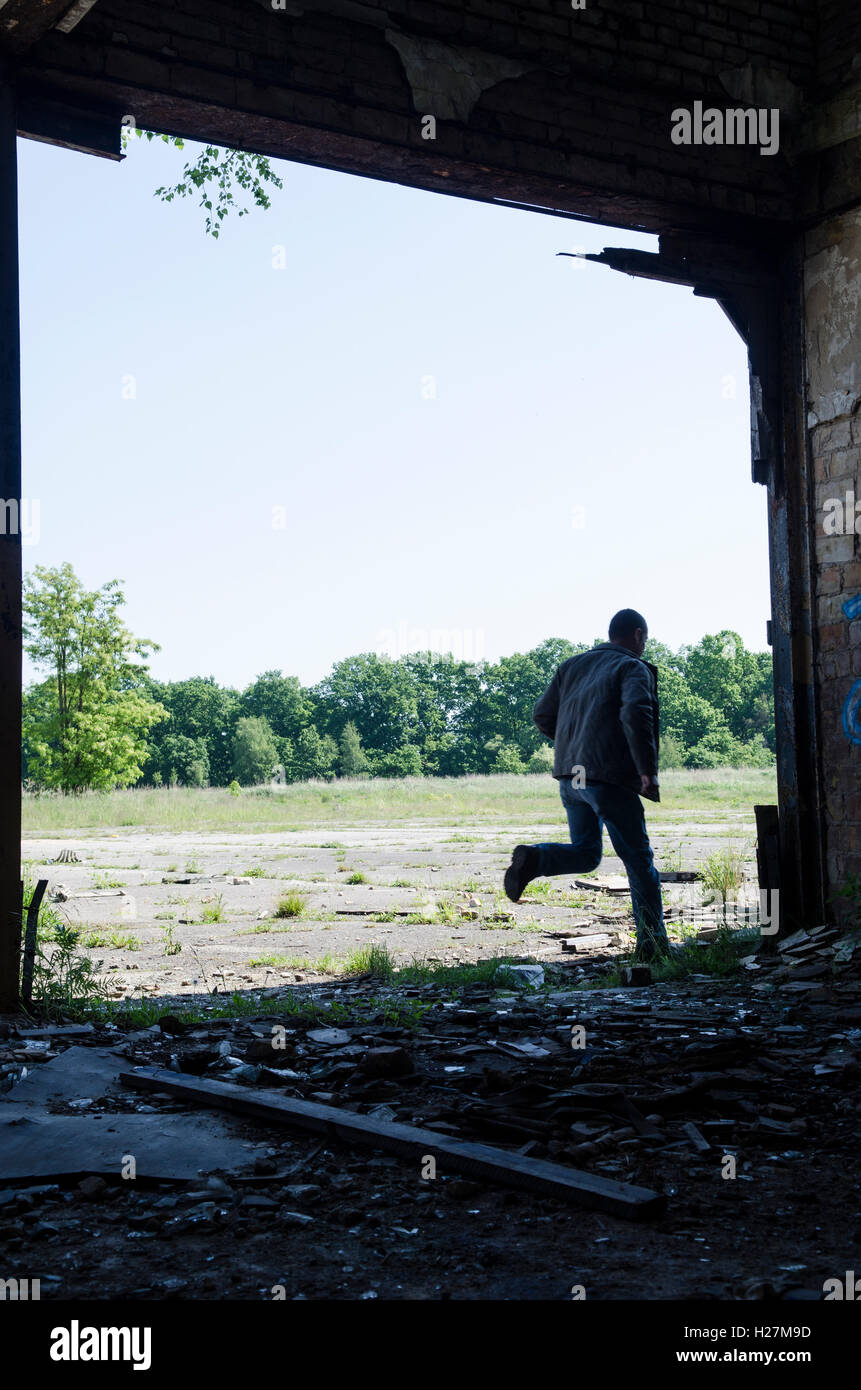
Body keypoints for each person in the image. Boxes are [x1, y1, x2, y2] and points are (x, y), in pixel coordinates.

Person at [504, 608, 669, 961]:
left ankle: (536, 858)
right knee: (639, 862)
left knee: (586, 853)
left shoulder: (572, 666)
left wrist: (573, 746)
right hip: (606, 777)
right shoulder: (631, 667)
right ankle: (653, 948)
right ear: (638, 635)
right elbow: (636, 715)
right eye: (645, 639)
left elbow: (542, 715)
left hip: (573, 776)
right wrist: (647, 771)